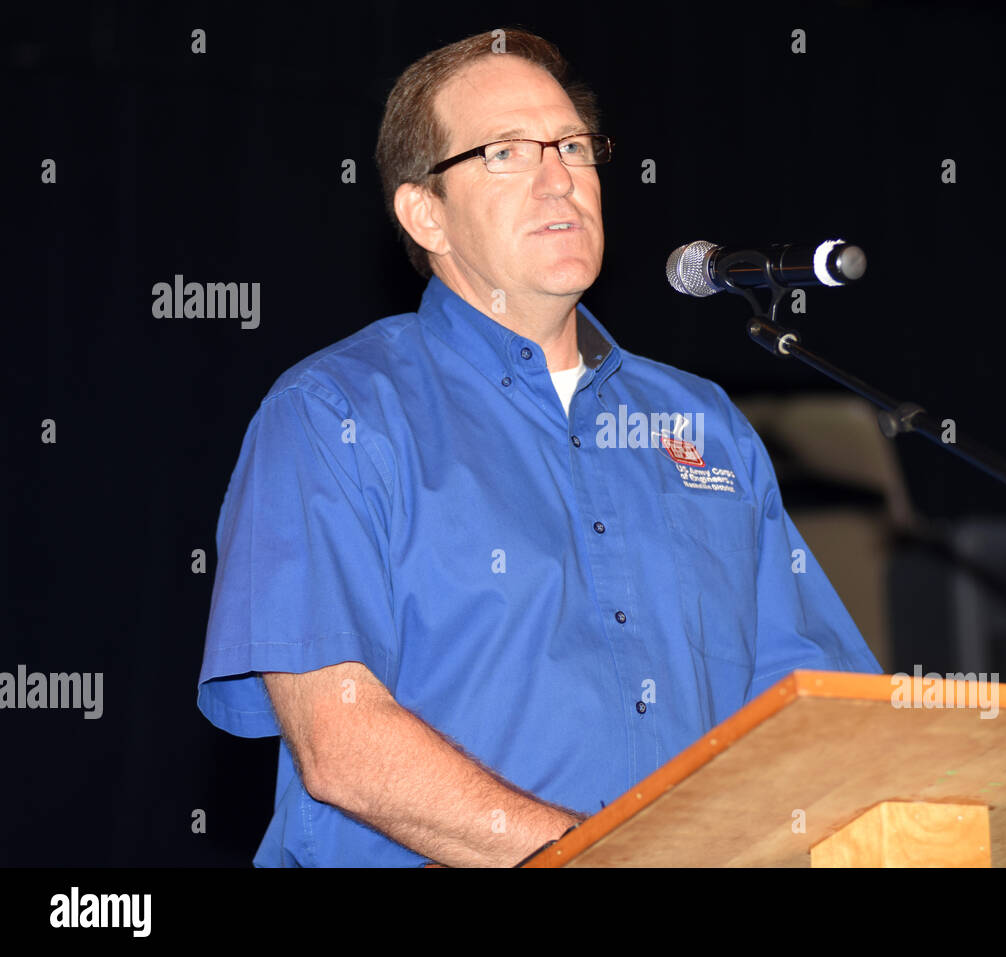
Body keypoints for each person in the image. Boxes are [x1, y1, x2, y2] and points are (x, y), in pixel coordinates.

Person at [196, 27, 881, 868]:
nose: (559, 176)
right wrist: (599, 858)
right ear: (424, 213)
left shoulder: (702, 422)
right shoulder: (333, 414)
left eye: (573, 146)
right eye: (506, 152)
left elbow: (821, 712)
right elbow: (342, 746)